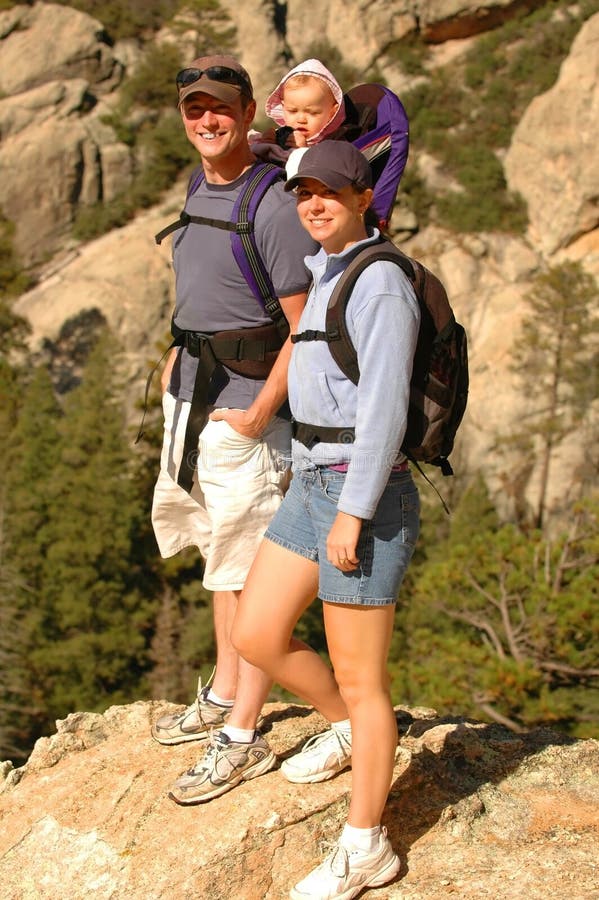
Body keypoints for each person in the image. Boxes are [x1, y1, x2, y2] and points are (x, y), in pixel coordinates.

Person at [232, 141, 421, 899]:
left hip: (358, 493)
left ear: (362, 198)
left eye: (328, 193)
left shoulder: (378, 283)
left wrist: (353, 513)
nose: (313, 204)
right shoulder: (326, 269)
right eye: (303, 192)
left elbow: (383, 411)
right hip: (312, 480)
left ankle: (365, 844)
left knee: (362, 677)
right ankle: (350, 730)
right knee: (255, 632)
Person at [150, 53, 317, 804]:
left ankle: (241, 736)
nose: (207, 120)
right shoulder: (199, 184)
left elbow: (302, 327)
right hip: (196, 395)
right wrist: (174, 349)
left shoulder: (273, 204)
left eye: (220, 108)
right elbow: (205, 282)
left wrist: (257, 412)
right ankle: (222, 691)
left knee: (252, 576)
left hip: (246, 415)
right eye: (194, 109)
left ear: (251, 113)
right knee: (223, 560)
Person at [249, 58, 346, 177]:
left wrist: (303, 152)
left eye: (313, 112)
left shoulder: (333, 146)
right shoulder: (281, 136)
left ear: (332, 112)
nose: (301, 119)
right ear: (284, 108)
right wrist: (264, 145)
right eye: (292, 111)